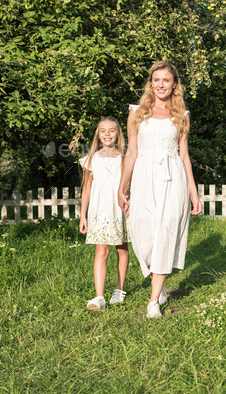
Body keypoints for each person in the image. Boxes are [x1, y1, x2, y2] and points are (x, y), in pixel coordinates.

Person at [118, 61, 202, 318]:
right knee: (143, 234)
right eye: (157, 80)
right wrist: (122, 187)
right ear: (150, 83)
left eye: (166, 80)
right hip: (144, 176)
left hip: (172, 176)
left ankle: (154, 300)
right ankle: (161, 283)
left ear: (174, 84)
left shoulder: (182, 115)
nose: (161, 85)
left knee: (166, 231)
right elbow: (131, 152)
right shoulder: (137, 112)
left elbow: (184, 155)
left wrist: (193, 191)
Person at [79, 116, 131, 312]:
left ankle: (119, 289)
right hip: (100, 209)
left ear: (118, 133)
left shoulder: (125, 157)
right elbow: (86, 189)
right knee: (101, 250)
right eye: (103, 130)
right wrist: (82, 215)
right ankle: (99, 296)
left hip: (119, 207)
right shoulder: (91, 159)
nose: (107, 134)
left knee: (121, 247)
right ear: (98, 135)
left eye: (111, 130)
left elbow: (129, 184)